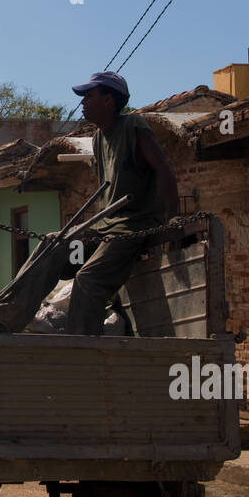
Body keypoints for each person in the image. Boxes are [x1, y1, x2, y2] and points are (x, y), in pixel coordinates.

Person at [66, 71, 179, 335]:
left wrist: (172, 220)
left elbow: (164, 170)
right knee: (53, 245)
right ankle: (3, 316)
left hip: (132, 226)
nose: (82, 103)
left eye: (88, 96)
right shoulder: (97, 139)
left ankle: (79, 347)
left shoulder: (133, 126)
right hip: (104, 227)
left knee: (87, 278)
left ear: (109, 101)